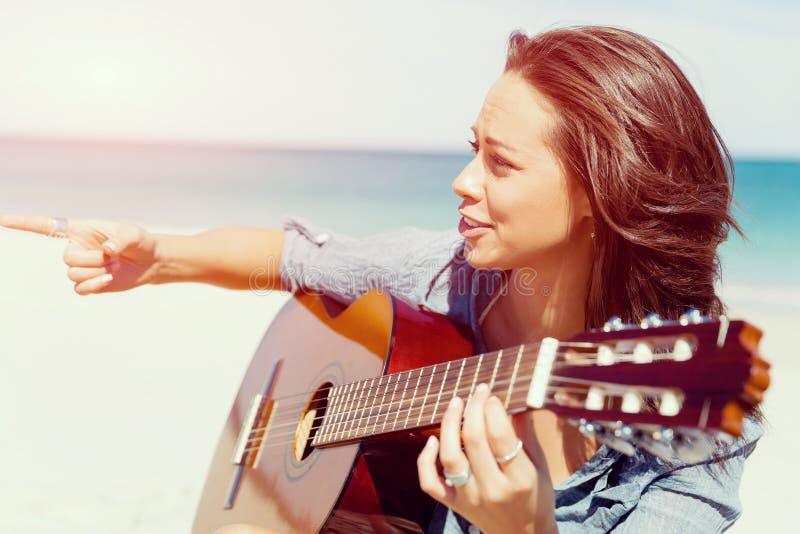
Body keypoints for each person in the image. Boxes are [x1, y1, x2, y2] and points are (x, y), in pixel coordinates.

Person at [0, 25, 762, 534]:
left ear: (603, 194)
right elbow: (284, 258)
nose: (462, 181)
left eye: (501, 163)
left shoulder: (698, 416)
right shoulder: (442, 278)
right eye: (473, 149)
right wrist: (157, 259)